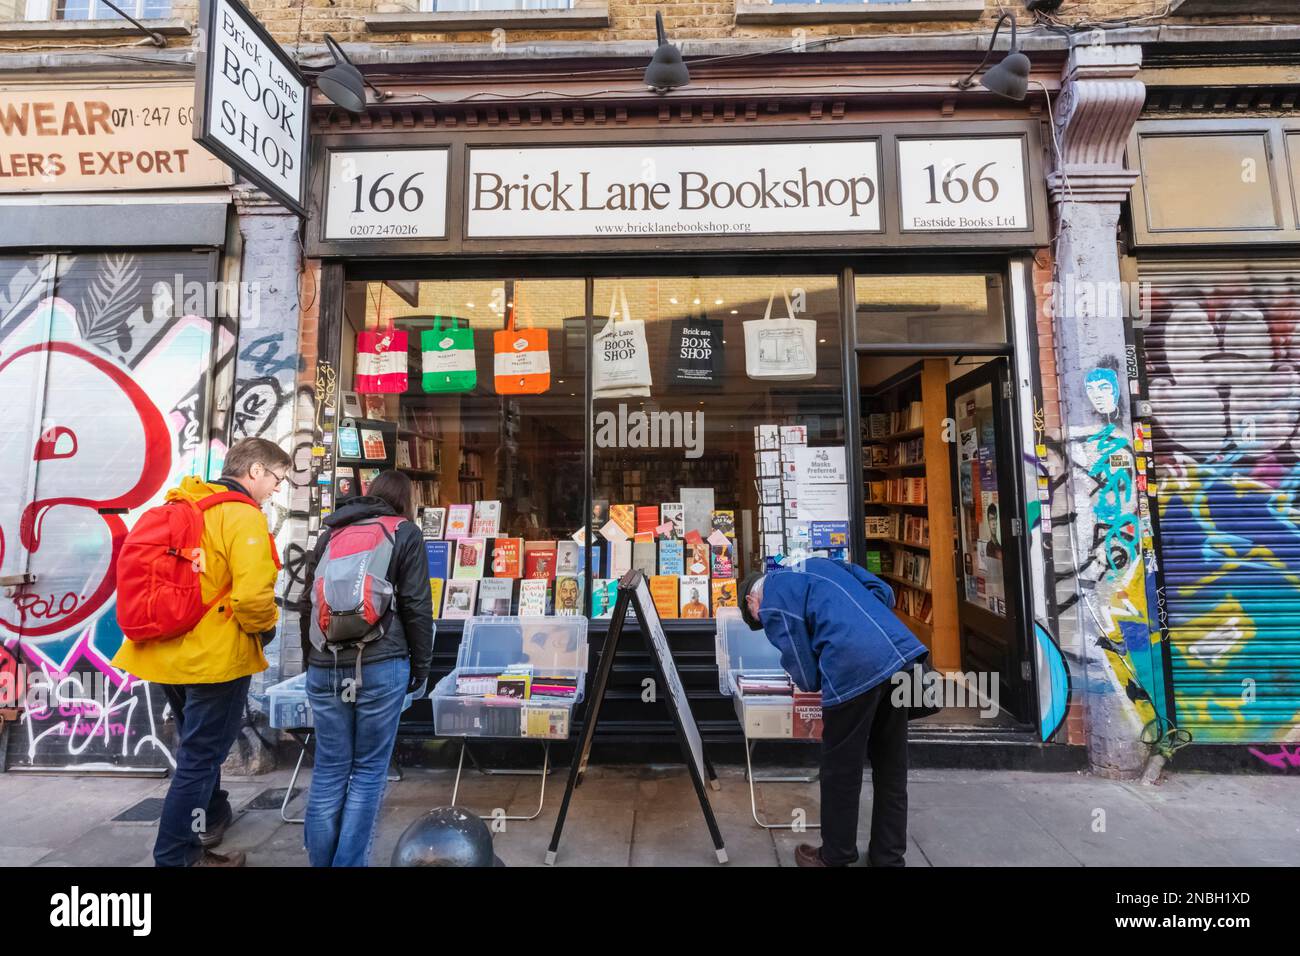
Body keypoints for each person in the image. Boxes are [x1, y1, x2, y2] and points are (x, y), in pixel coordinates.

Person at [113, 437, 290, 867]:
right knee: (200, 761)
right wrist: (264, 630)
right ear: (255, 472)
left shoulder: (185, 503)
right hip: (214, 661)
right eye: (277, 479)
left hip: (163, 655)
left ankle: (204, 829)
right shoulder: (243, 516)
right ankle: (178, 857)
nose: (276, 490)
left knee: (197, 754)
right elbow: (252, 598)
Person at [739, 557, 927, 867]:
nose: (763, 621)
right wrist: (859, 626)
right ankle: (889, 857)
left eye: (755, 618)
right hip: (898, 654)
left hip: (853, 669)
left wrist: (844, 643)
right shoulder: (815, 564)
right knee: (891, 767)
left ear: (751, 600)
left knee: (841, 770)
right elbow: (883, 592)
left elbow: (807, 674)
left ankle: (835, 856)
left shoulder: (771, 601)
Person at [297, 470, 433, 867]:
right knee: (370, 772)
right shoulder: (404, 532)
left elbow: (307, 603)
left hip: (324, 665)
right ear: (406, 500)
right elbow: (416, 607)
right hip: (381, 662)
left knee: (328, 770)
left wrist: (313, 659)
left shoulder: (331, 534)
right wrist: (421, 667)